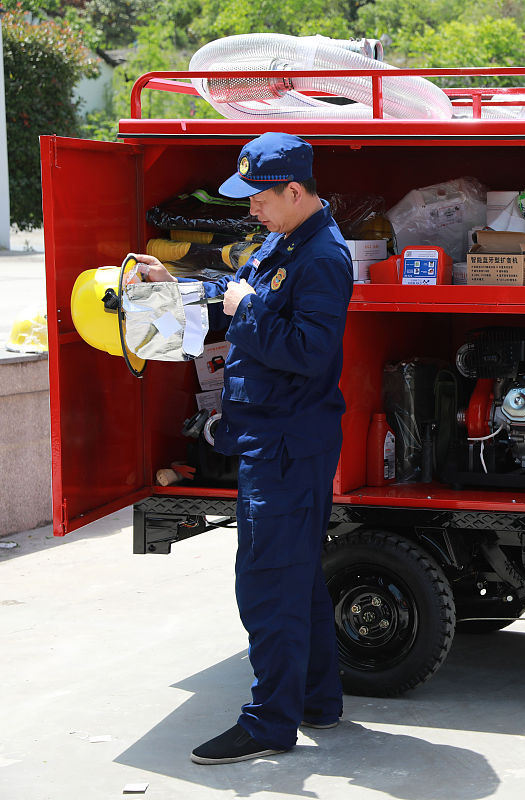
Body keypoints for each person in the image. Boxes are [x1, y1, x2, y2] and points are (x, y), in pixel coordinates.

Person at [134, 132, 353, 765]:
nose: (249, 210)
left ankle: (268, 723)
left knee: (266, 585)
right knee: (297, 580)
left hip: (287, 442)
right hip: (275, 439)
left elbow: (309, 354)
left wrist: (249, 308)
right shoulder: (288, 242)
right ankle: (316, 700)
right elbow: (234, 298)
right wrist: (170, 284)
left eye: (257, 198)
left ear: (293, 190)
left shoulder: (323, 258)